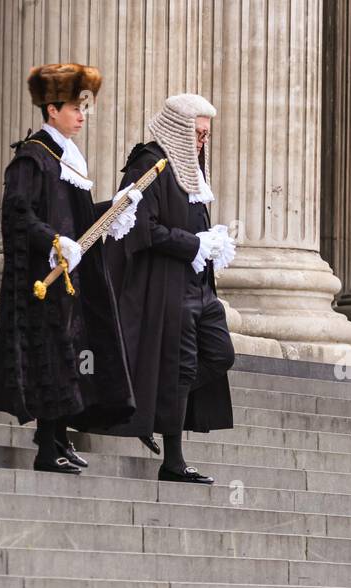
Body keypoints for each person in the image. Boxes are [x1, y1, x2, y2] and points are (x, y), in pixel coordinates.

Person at [0, 63, 138, 473]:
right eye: (74, 108)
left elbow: (80, 221)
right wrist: (53, 240)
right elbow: (18, 215)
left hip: (71, 280)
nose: (82, 116)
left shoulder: (67, 159)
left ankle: (57, 437)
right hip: (43, 279)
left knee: (70, 357)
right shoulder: (32, 158)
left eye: (83, 108)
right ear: (51, 110)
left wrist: (115, 210)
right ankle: (47, 450)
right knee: (51, 358)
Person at [100, 93, 236, 483]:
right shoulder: (150, 163)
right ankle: (173, 461)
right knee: (181, 368)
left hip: (199, 288)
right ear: (178, 129)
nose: (202, 142)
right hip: (167, 286)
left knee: (220, 354)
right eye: (197, 134)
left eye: (206, 136)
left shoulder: (193, 170)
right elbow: (143, 229)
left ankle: (149, 406)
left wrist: (214, 240)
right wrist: (194, 244)